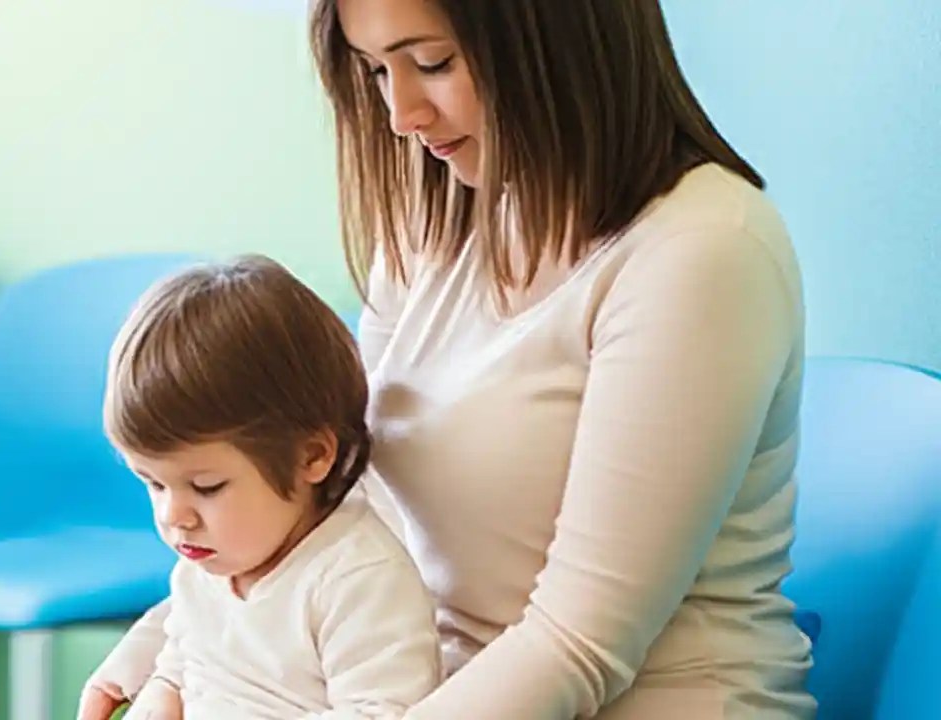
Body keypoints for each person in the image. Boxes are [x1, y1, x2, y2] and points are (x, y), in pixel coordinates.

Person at [82, 0, 816, 717]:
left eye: (431, 63)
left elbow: (581, 641)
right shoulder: (441, 216)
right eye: (375, 72)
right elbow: (334, 500)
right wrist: (174, 645)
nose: (401, 114)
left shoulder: (703, 253)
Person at [90, 255, 441, 719]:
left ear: (311, 457)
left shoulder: (358, 579)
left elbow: (383, 712)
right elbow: (187, 656)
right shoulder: (208, 561)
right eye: (153, 483)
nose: (174, 516)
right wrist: (162, 688)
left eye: (207, 486)